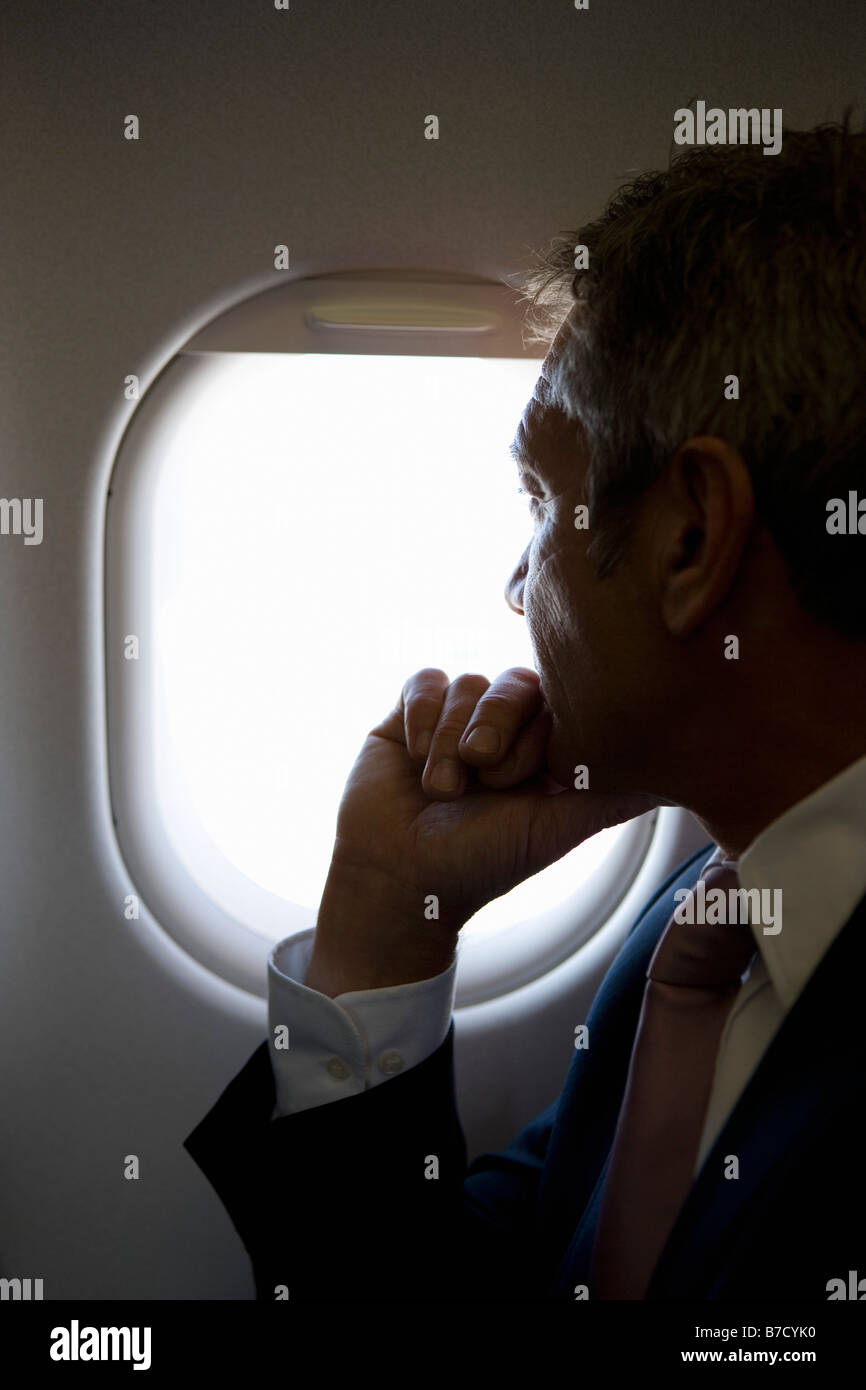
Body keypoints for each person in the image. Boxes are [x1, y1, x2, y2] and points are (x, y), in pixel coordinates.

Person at [184, 116, 866, 1301]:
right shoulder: (696, 925)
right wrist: (382, 932)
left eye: (543, 506)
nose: (516, 586)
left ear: (689, 538)